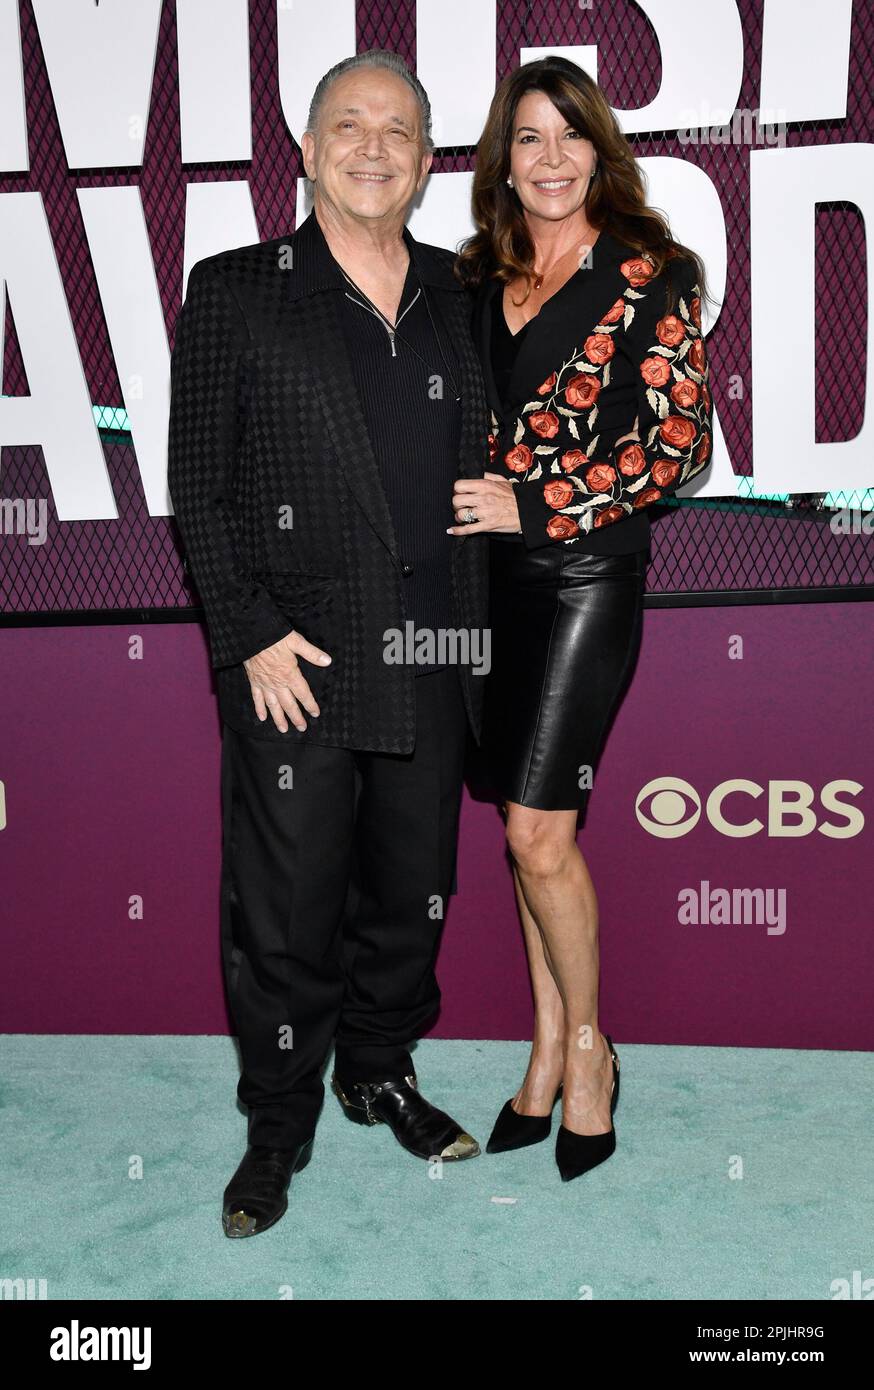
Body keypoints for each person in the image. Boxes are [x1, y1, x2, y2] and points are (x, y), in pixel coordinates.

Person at [167, 49, 490, 1238]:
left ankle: (380, 1071)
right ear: (304, 150)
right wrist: (250, 634)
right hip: (294, 657)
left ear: (423, 160)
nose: (372, 145)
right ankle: (277, 1122)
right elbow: (198, 488)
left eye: (397, 129)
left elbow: (502, 458)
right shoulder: (238, 288)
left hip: (430, 647)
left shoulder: (462, 294)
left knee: (410, 896)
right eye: (347, 125)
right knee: (287, 905)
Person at [449, 56, 714, 1182]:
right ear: (501, 162)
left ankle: (595, 1057)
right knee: (522, 827)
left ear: (599, 150)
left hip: (584, 579)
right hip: (484, 587)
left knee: (534, 833)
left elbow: (679, 450)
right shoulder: (475, 278)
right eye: (526, 139)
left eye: (567, 136)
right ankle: (547, 1043)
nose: (548, 157)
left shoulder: (647, 278)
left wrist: (540, 501)